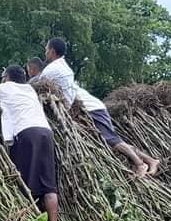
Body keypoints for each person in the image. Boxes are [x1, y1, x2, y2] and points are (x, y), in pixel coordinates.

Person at [35, 37, 160, 176]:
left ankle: (140, 164)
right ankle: (150, 160)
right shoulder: (61, 67)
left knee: (111, 139)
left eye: (46, 50)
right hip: (89, 108)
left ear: (52, 51)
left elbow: (41, 86)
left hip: (92, 109)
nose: (45, 53)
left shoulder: (53, 69)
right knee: (111, 140)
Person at [0, 65, 60, 221]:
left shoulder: (4, 87)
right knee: (49, 184)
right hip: (46, 133)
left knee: (26, 183)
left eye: (3, 77)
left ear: (7, 77)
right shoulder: (29, 90)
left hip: (26, 134)